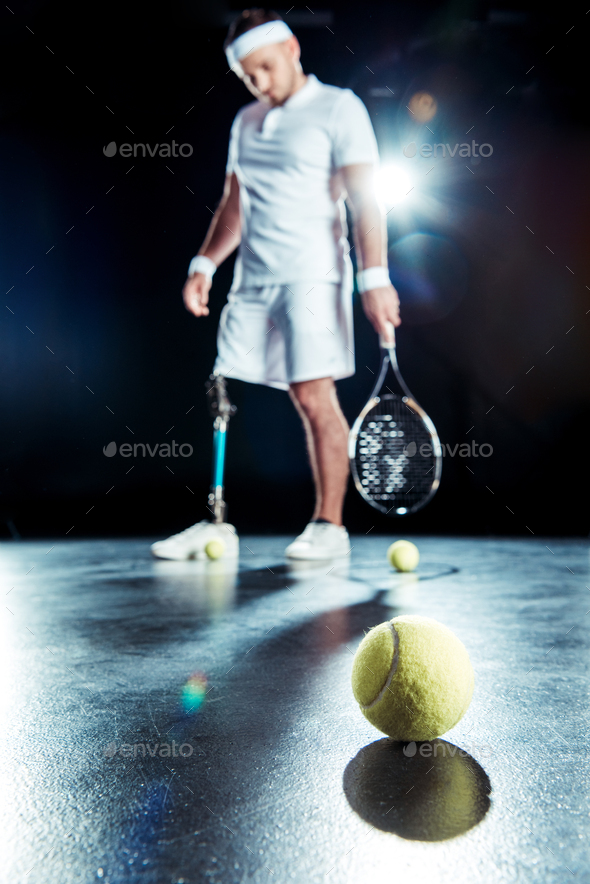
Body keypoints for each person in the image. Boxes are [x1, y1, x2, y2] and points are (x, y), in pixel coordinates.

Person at [151, 7, 400, 562]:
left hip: (314, 276)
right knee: (221, 391)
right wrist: (204, 263)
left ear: (291, 48)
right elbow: (235, 203)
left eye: (264, 67)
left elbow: (366, 199)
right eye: (247, 76)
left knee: (313, 396)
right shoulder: (246, 122)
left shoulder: (341, 108)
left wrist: (375, 278)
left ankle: (329, 527)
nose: (258, 82)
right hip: (253, 279)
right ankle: (216, 523)